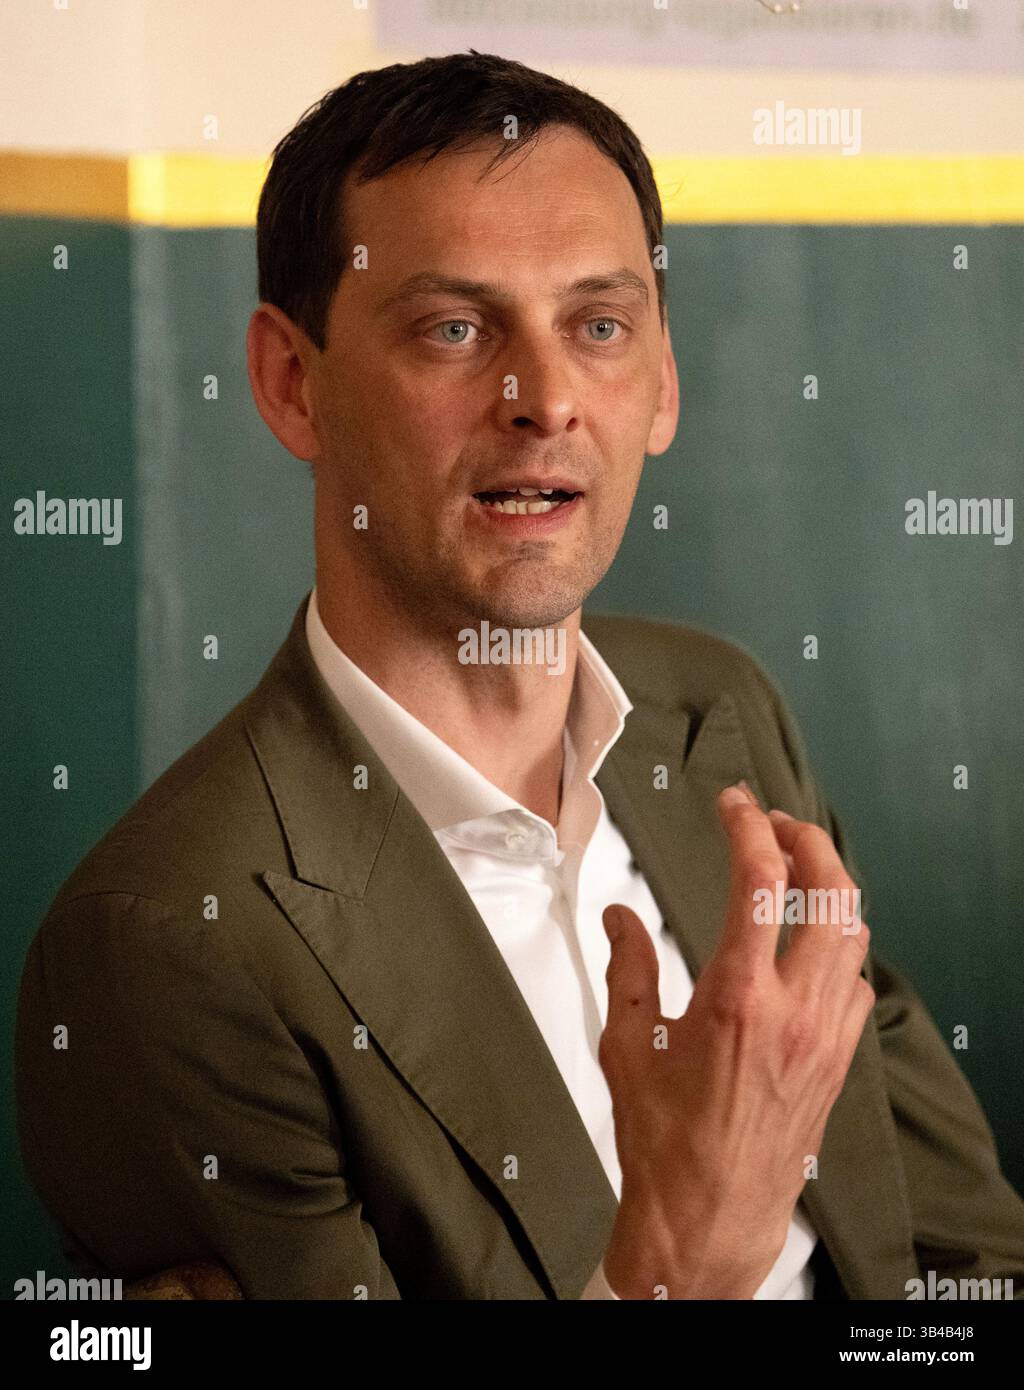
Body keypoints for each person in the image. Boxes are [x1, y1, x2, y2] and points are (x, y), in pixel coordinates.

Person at [15, 51, 1024, 1300]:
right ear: (292, 383)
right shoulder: (168, 947)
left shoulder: (721, 712)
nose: (543, 398)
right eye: (454, 328)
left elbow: (972, 1263)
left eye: (598, 326)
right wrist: (681, 1264)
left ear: (660, 383)